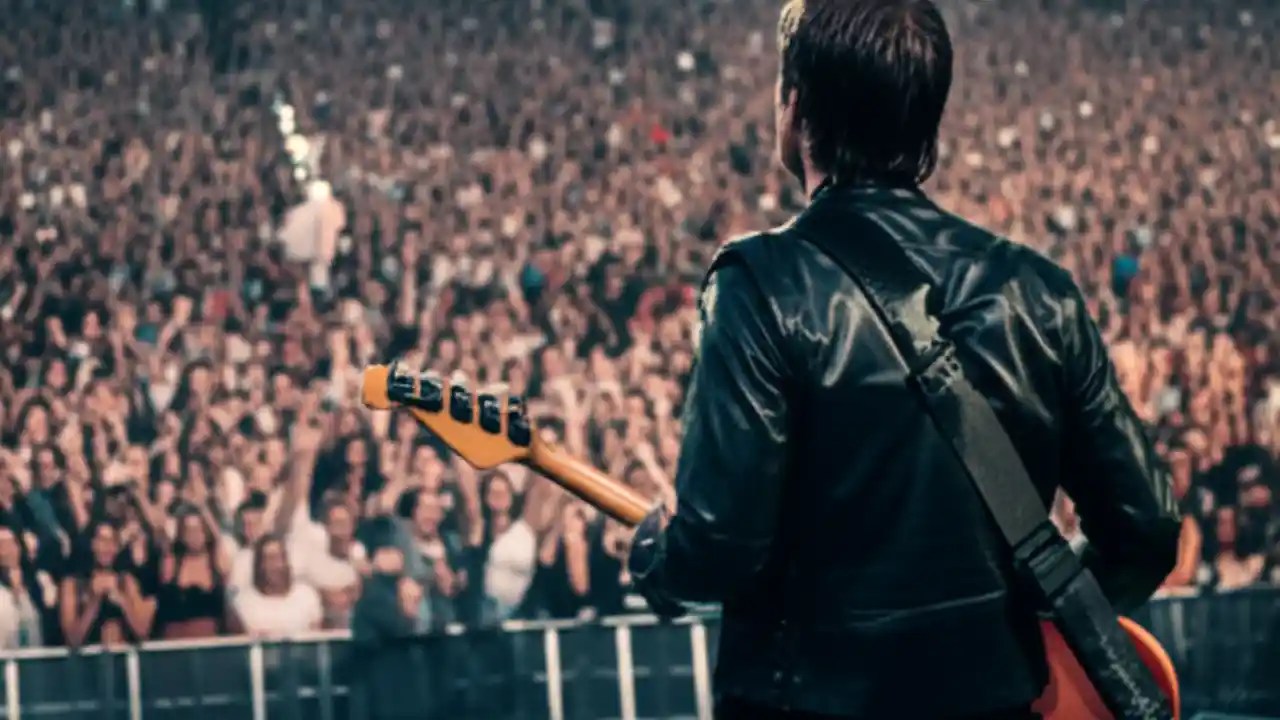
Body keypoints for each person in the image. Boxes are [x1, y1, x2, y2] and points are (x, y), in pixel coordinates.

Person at [626, 2, 1182, 718]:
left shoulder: (758, 285)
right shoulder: (1039, 293)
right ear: (927, 118)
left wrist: (655, 563)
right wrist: (1036, 624)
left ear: (797, 107)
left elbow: (719, 548)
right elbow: (1146, 527)